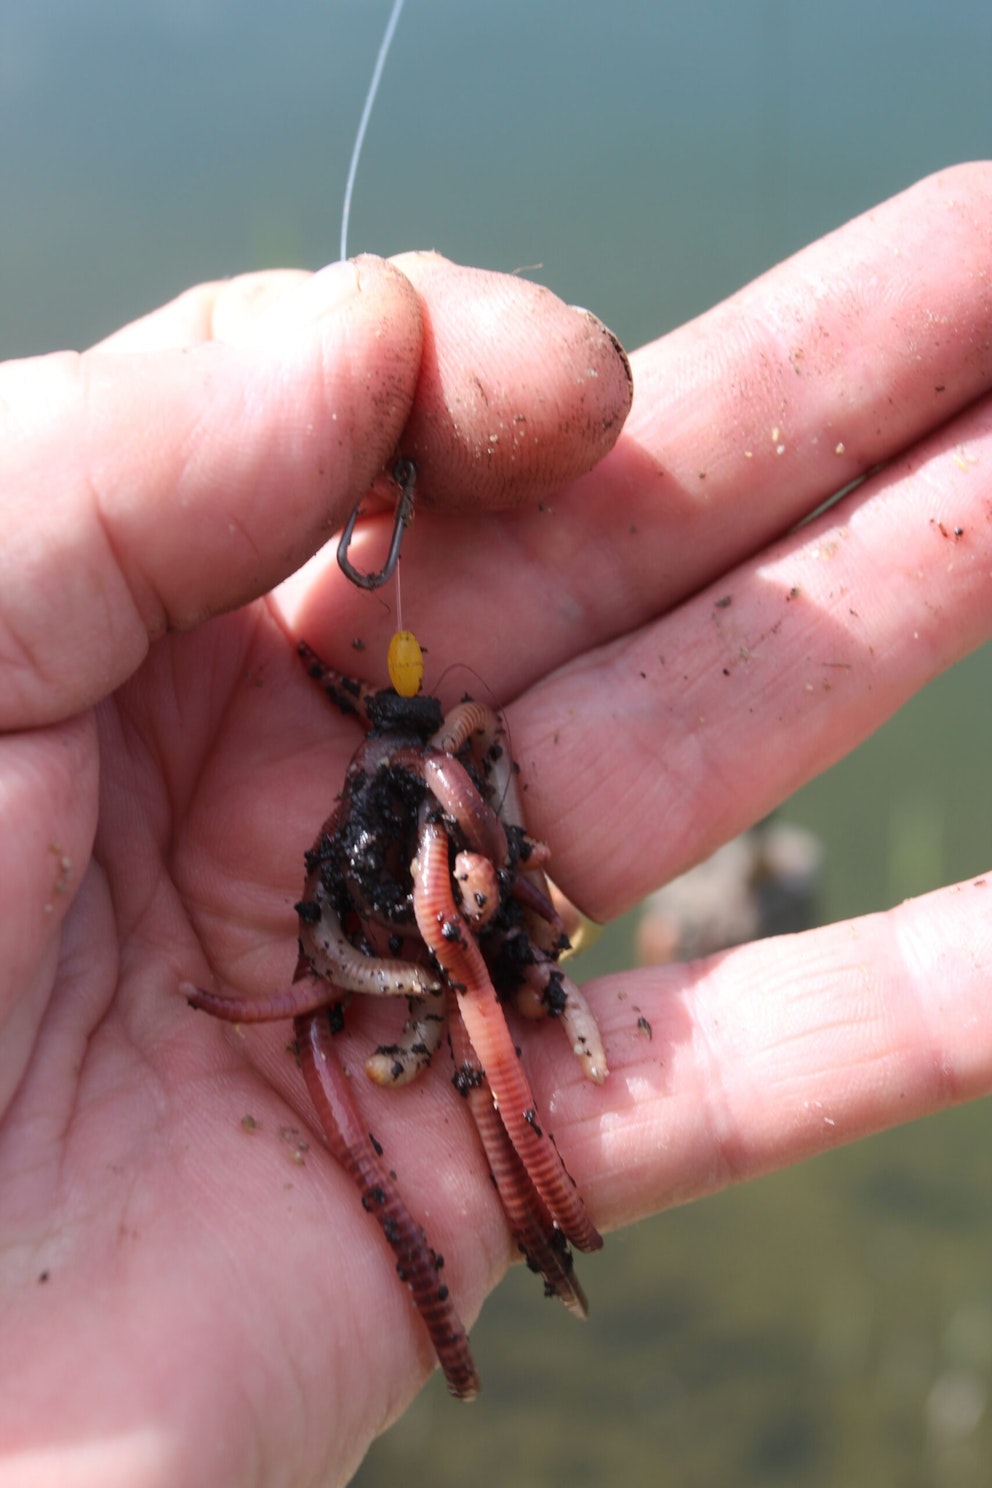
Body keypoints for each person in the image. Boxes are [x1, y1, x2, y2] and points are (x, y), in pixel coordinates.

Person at [1, 162, 989, 1488]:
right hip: (398, 914)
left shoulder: (446, 795)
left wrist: (465, 888)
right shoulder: (403, 822)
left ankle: (501, 1160)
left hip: (426, 894)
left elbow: (462, 852)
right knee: (458, 979)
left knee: (470, 969)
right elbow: (433, 871)